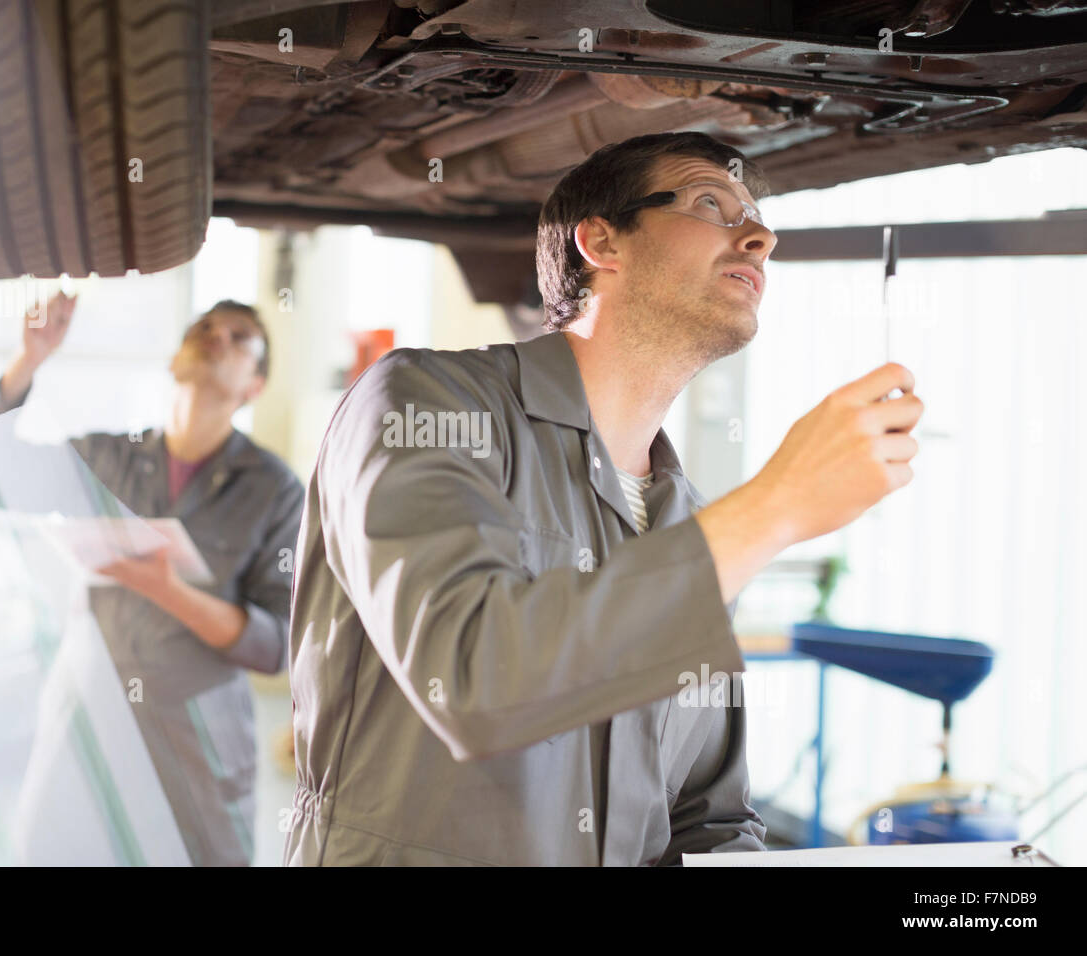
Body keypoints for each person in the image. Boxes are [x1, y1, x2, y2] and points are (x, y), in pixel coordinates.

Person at [283, 131, 924, 866]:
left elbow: (707, 816)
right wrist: (775, 506)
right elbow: (469, 678)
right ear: (600, 242)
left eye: (759, 222)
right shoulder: (428, 403)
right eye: (711, 204)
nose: (759, 237)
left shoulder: (690, 520)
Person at [0, 294, 305, 866]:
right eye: (205, 327)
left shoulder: (275, 490)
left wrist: (168, 590)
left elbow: (275, 644)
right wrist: (27, 360)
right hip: (86, 724)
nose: (216, 336)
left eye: (238, 336)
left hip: (195, 742)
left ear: (255, 385)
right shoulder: (111, 458)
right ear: (176, 355)